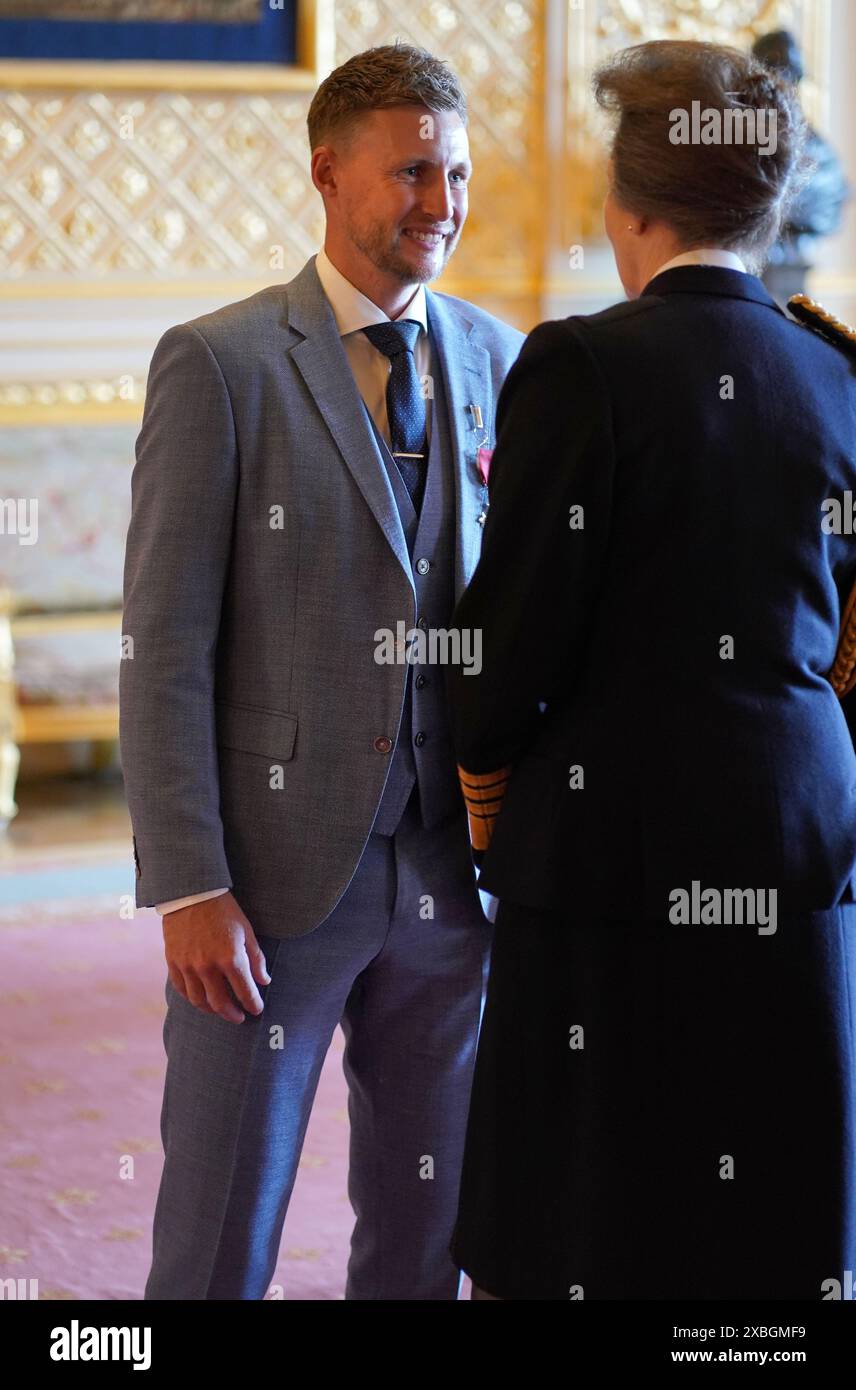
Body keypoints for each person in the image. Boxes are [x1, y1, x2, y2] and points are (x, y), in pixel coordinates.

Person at [445, 39, 856, 1300]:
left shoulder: (580, 363)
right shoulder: (836, 368)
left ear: (625, 204)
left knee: (600, 1202)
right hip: (798, 819)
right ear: (764, 204)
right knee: (769, 1194)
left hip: (612, 837)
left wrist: (479, 765)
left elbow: (509, 645)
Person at [120, 41, 524, 1300]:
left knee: (427, 1227)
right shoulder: (223, 362)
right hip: (270, 882)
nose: (440, 204)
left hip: (450, 875)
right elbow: (165, 641)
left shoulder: (501, 361)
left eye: (456, 174)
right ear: (326, 174)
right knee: (218, 1236)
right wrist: (189, 883)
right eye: (410, 172)